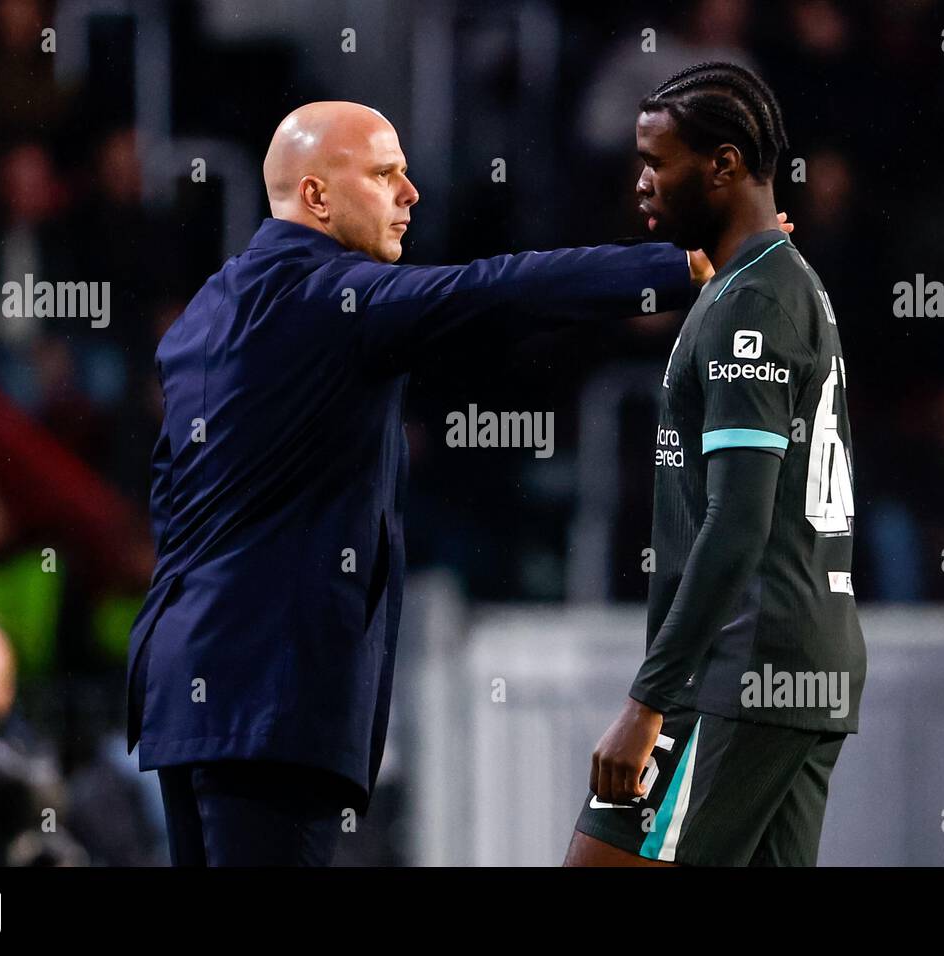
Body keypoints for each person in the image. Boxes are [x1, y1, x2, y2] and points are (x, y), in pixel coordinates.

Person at [127, 100, 745, 866]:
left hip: (184, 691)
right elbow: (494, 289)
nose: (410, 193)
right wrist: (682, 266)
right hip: (270, 704)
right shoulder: (332, 300)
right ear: (317, 197)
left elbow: (169, 500)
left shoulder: (201, 317)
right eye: (386, 174)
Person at [566, 62, 866, 867]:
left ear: (724, 165)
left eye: (656, 163)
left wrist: (647, 704)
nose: (640, 184)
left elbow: (738, 522)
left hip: (742, 669)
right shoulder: (765, 284)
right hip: (796, 667)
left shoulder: (755, 304)